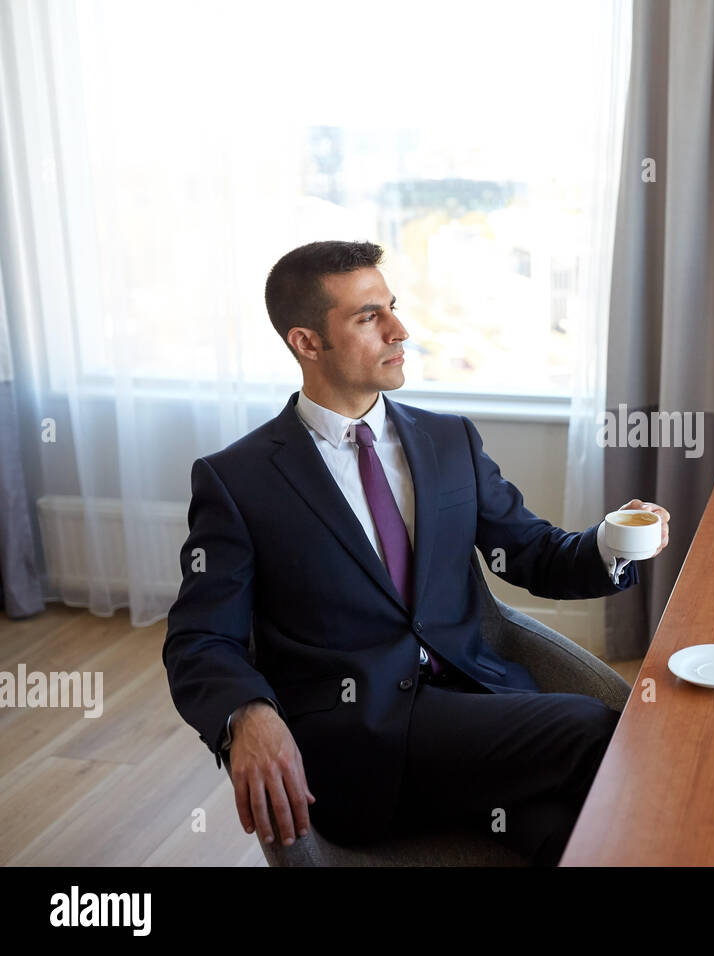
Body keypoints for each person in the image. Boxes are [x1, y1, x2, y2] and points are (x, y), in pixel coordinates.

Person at [161, 239, 669, 866]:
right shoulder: (238, 480)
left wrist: (612, 540)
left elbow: (533, 553)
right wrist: (247, 713)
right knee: (597, 731)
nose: (400, 330)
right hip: (360, 742)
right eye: (368, 316)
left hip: (477, 709)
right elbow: (199, 638)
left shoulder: (448, 440)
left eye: (392, 307)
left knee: (563, 833)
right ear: (307, 342)